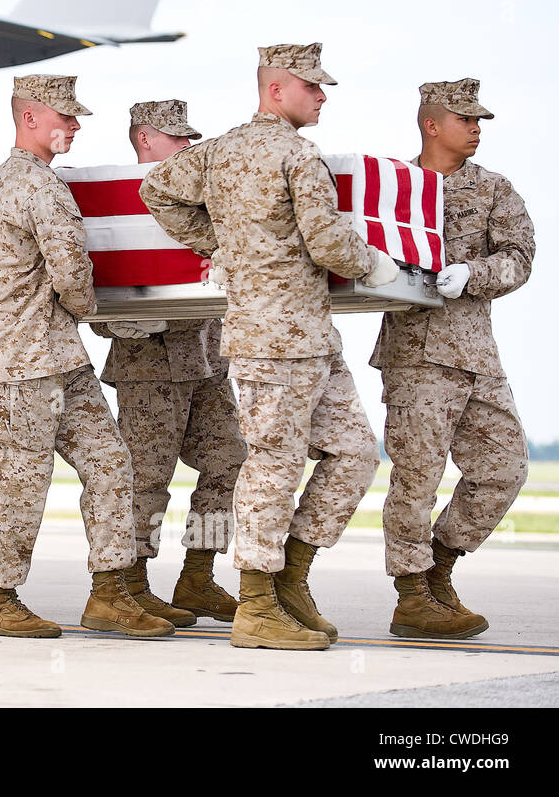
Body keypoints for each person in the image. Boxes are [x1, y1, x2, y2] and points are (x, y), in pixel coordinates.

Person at [140, 43, 398, 651]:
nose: (323, 96)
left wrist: (218, 242)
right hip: (273, 337)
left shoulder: (217, 152)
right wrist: (376, 265)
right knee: (274, 463)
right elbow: (330, 244)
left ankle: (289, 577)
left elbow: (156, 188)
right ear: (276, 89)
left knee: (355, 451)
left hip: (309, 336)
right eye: (312, 87)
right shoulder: (296, 155)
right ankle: (256, 604)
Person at [0, 74, 174, 640]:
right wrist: (97, 314)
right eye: (65, 117)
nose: (74, 126)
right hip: (31, 363)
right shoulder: (40, 187)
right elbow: (72, 272)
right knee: (25, 479)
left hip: (50, 357)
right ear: (30, 118)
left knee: (108, 463)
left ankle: (109, 591)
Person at [372, 78, 533, 639]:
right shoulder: (391, 183)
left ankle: (438, 568)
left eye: (480, 121)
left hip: (475, 352)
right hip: (415, 354)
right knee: (417, 477)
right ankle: (412, 597)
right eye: (466, 120)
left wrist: (475, 274)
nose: (477, 130)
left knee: (504, 467)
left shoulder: (494, 189)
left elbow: (519, 258)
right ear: (432, 124)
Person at [92, 99, 247, 626]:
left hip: (205, 355)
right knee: (146, 478)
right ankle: (129, 582)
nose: (187, 147)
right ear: (144, 140)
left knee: (230, 459)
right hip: (147, 364)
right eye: (176, 139)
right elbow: (94, 277)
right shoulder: (115, 201)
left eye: (189, 138)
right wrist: (117, 322)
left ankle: (198, 575)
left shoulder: (200, 197)